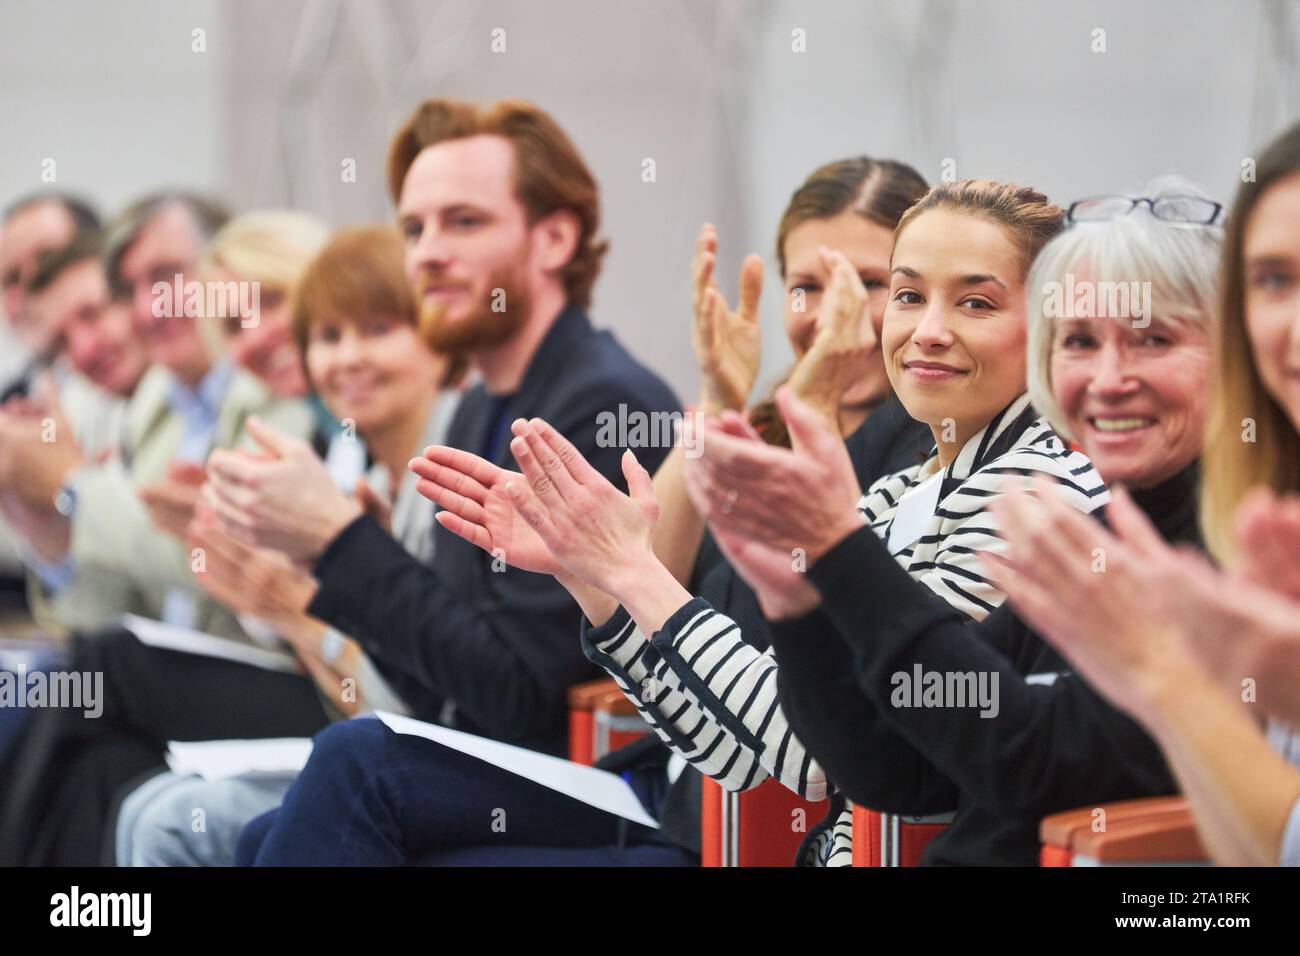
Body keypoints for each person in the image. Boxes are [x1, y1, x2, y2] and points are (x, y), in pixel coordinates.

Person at [232, 156, 935, 867]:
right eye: (807, 286)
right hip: (670, 771)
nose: (830, 313)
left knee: (357, 769)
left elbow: (543, 681)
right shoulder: (753, 428)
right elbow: (646, 583)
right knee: (275, 824)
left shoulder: (916, 453)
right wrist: (719, 404)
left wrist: (337, 551)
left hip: (742, 815)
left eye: (869, 284)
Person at [421, 180, 1107, 865]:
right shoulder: (900, 489)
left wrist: (629, 569)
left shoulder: (1036, 493)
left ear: (1050, 329)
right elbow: (747, 751)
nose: (927, 330)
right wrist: (593, 574)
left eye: (976, 302)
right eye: (907, 295)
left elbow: (813, 751)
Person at [199, 98, 678, 865]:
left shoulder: (603, 401)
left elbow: (524, 700)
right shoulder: (481, 405)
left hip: (605, 775)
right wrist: (332, 560)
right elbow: (442, 690)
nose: (426, 253)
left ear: (554, 238)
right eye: (414, 228)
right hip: (505, 758)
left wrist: (341, 542)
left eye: (463, 222)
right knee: (259, 830)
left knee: (353, 764)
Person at [989, 127, 1300, 867]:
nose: (1109, 378)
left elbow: (1029, 754)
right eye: (1273, 281)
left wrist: (1160, 673)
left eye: (1154, 338)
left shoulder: (1218, 528)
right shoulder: (1257, 524)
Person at [116, 224, 465, 866]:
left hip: (411, 741)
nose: (257, 338)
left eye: (271, 305)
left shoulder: (431, 458)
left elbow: (433, 697)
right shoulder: (350, 442)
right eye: (328, 337)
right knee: (138, 787)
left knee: (120, 686)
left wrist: (296, 608)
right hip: (359, 717)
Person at [0, 205, 328, 866]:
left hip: (306, 684)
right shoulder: (158, 407)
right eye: (135, 290)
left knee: (96, 671)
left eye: (169, 277)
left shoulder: (284, 391)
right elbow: (126, 596)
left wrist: (71, 489)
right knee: (99, 766)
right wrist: (48, 528)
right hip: (194, 683)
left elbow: (210, 564)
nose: (151, 309)